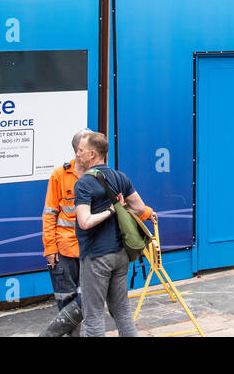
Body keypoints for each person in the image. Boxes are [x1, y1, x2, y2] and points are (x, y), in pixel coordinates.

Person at [73, 131, 151, 337]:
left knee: (93, 315)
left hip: (97, 256)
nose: (77, 154)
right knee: (122, 310)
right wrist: (120, 207)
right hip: (120, 255)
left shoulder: (83, 184)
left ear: (92, 154)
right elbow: (140, 208)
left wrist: (109, 211)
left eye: (80, 150)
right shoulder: (119, 177)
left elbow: (85, 221)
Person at [39, 128, 91, 337]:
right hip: (64, 250)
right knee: (66, 302)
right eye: (91, 147)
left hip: (90, 249)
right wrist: (50, 248)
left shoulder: (98, 174)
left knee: (90, 298)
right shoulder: (60, 175)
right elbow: (49, 213)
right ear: (80, 151)